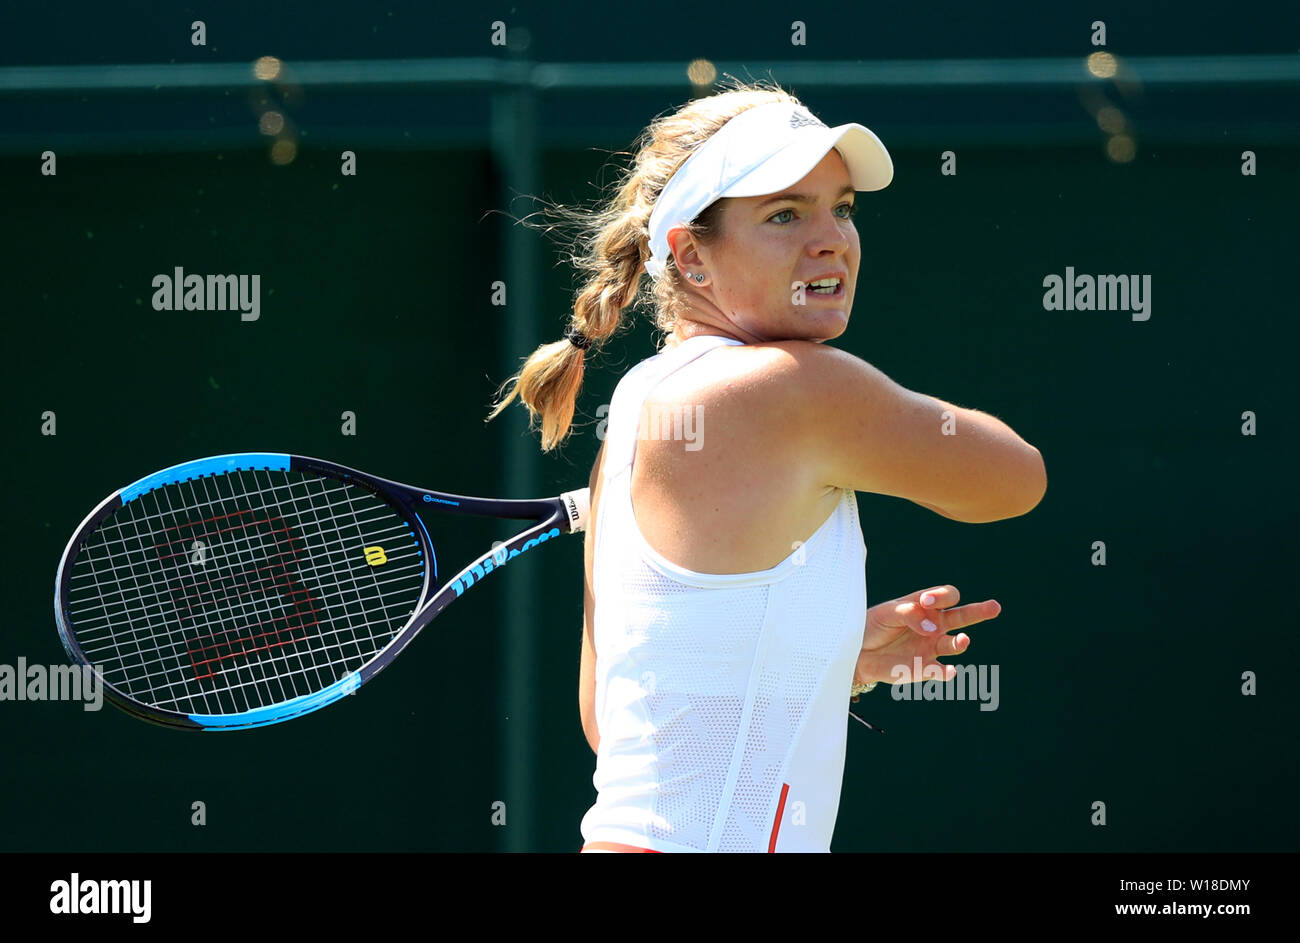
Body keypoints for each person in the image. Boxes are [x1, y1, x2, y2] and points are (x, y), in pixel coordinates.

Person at [487, 80, 1045, 852]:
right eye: (785, 214)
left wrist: (821, 658)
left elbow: (613, 718)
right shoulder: (797, 384)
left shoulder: (640, 402)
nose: (831, 240)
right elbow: (1016, 477)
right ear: (690, 255)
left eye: (841, 207)